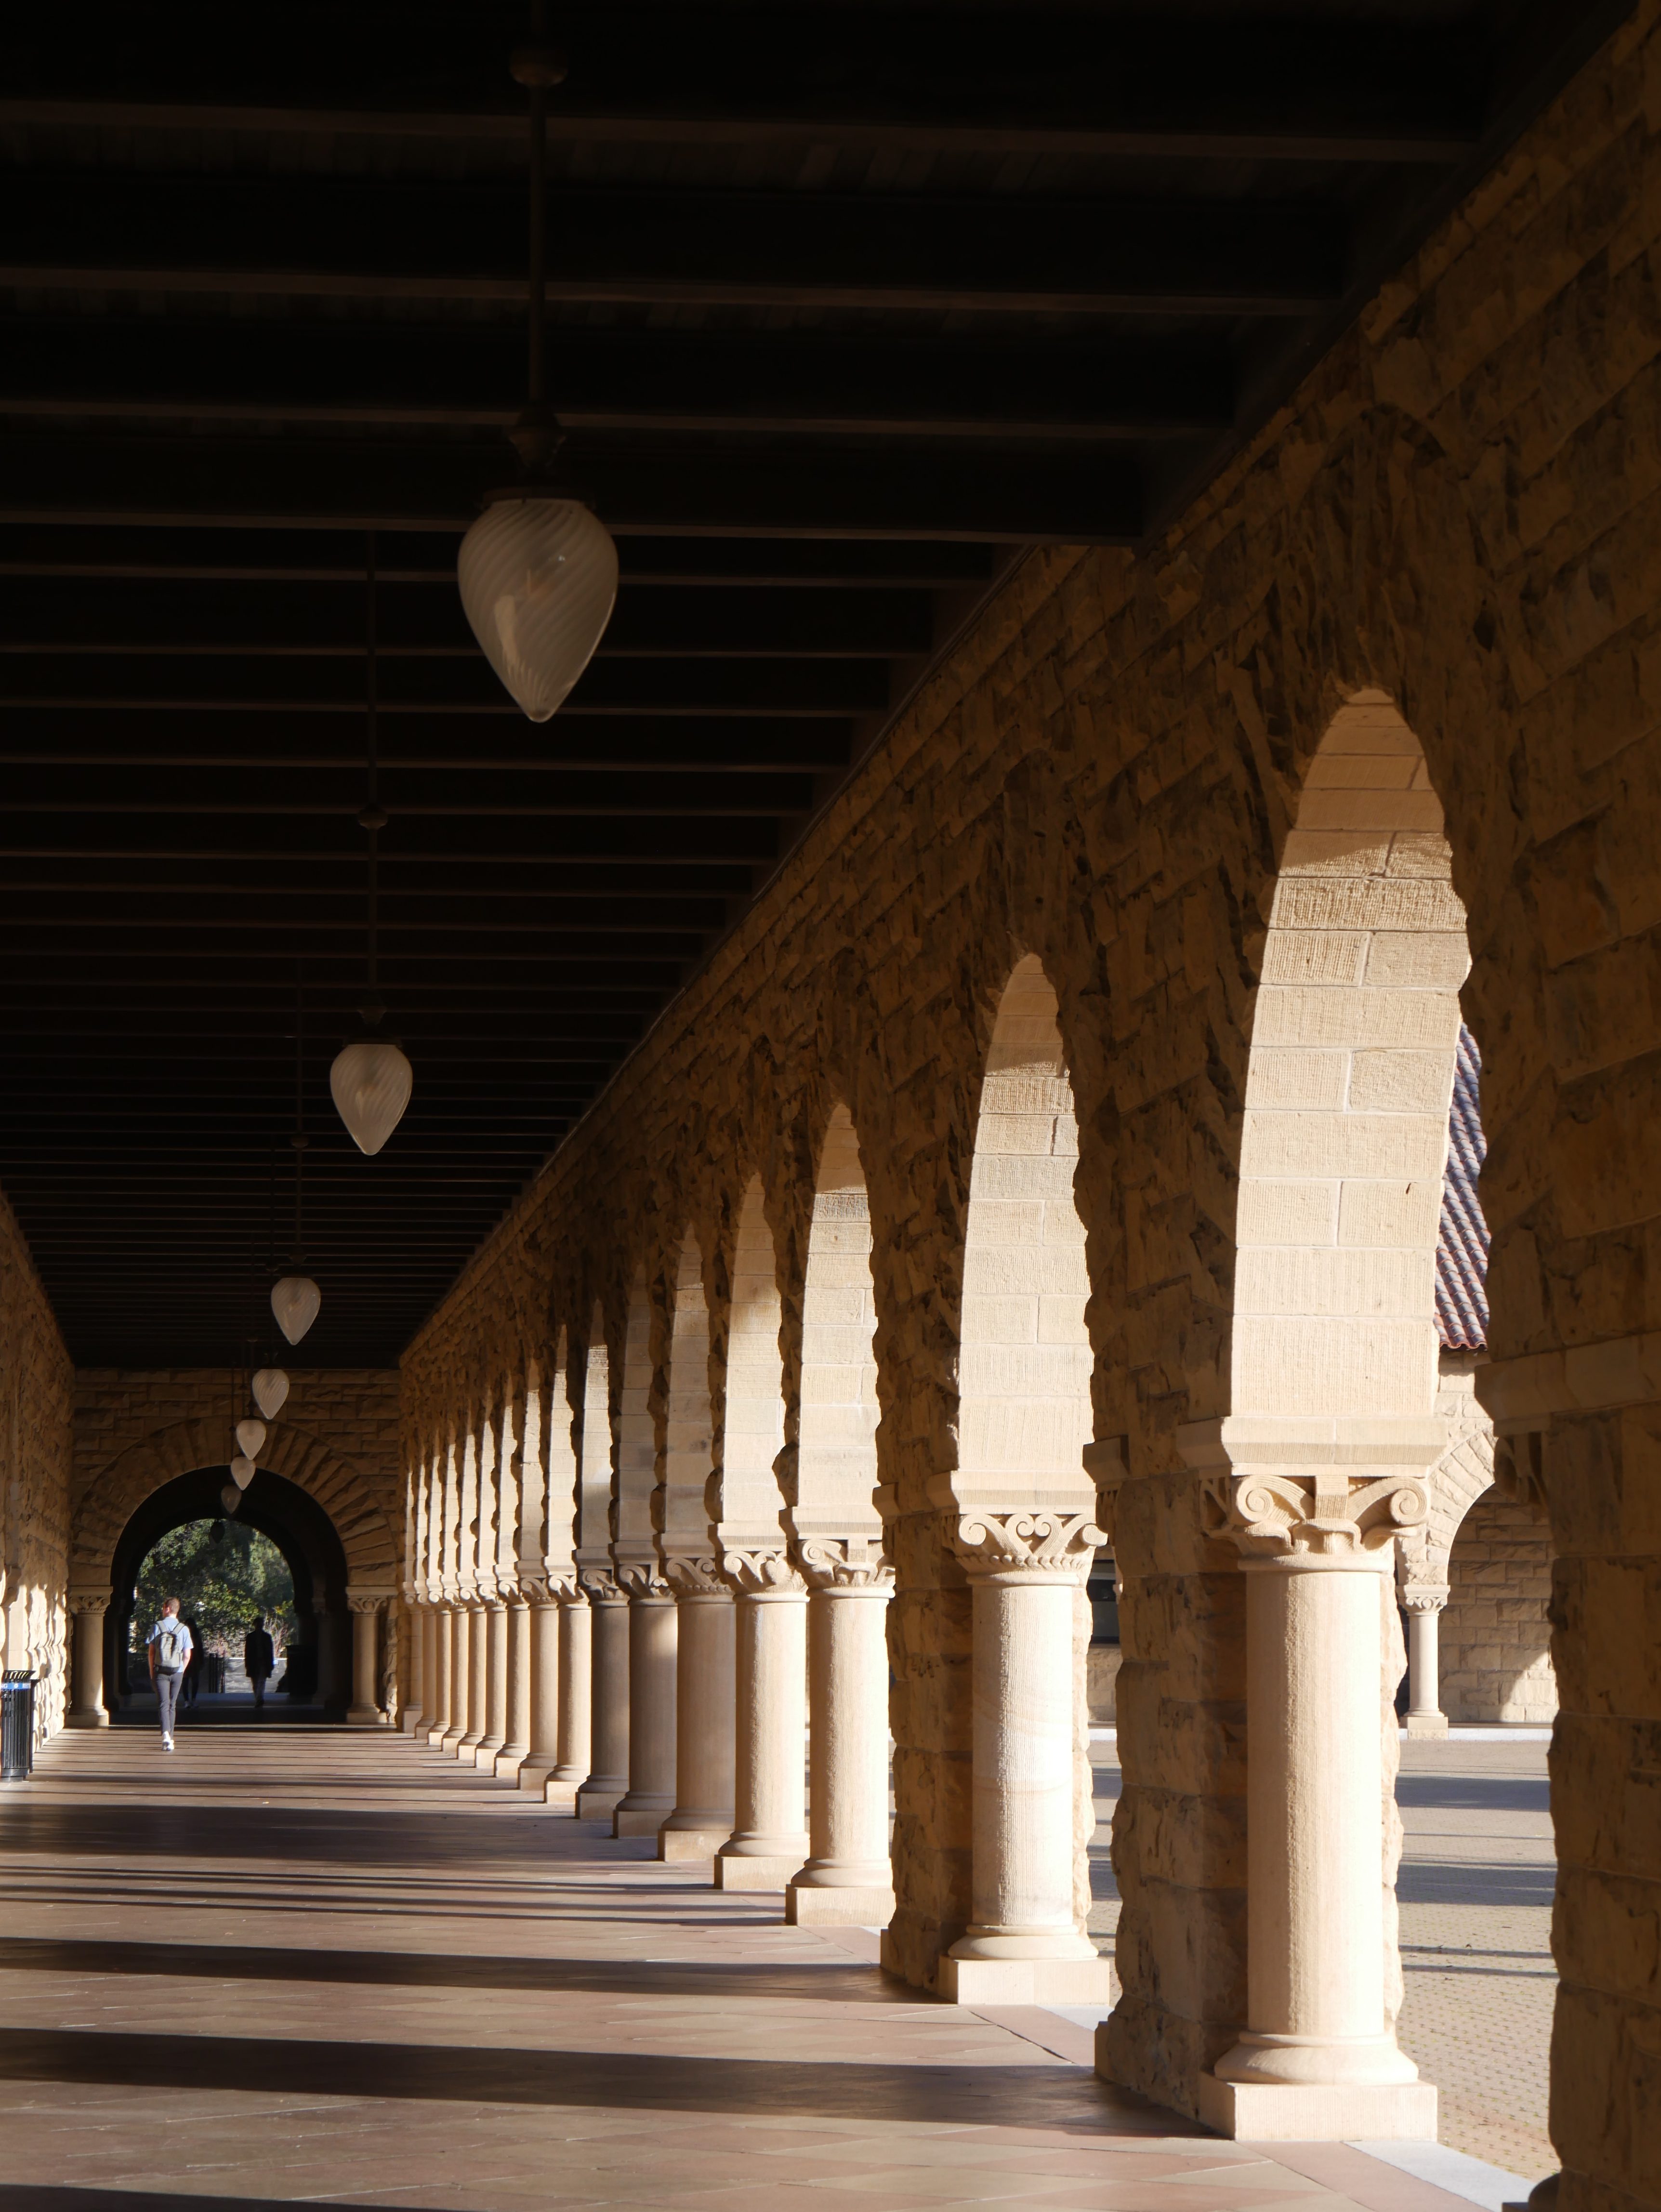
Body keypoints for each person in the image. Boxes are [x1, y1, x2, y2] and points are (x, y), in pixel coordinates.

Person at [146, 1598, 193, 1751]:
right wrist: (181, 1670)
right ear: (177, 1611)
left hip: (161, 1671)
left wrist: (153, 1673)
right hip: (177, 1671)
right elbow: (187, 1655)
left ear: (167, 1609)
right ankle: (170, 1738)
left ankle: (166, 1735)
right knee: (172, 1705)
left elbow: (152, 1653)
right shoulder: (184, 1629)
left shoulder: (157, 1627)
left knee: (163, 1704)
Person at [244, 1617, 275, 1712]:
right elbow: (247, 1651)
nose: (260, 1626)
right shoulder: (251, 1637)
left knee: (262, 1682)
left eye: (261, 1624)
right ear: (255, 1625)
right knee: (256, 1683)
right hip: (254, 1662)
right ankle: (259, 1698)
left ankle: (260, 1699)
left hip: (263, 1662)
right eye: (258, 1624)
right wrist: (247, 1663)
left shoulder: (267, 1637)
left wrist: (271, 1662)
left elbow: (270, 1651)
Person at [181, 1616, 205, 1707]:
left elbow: (200, 1649)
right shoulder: (183, 1635)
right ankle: (187, 1700)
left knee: (195, 1682)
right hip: (186, 1662)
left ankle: (193, 1699)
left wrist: (202, 1661)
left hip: (195, 1662)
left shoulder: (197, 1635)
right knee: (185, 1682)